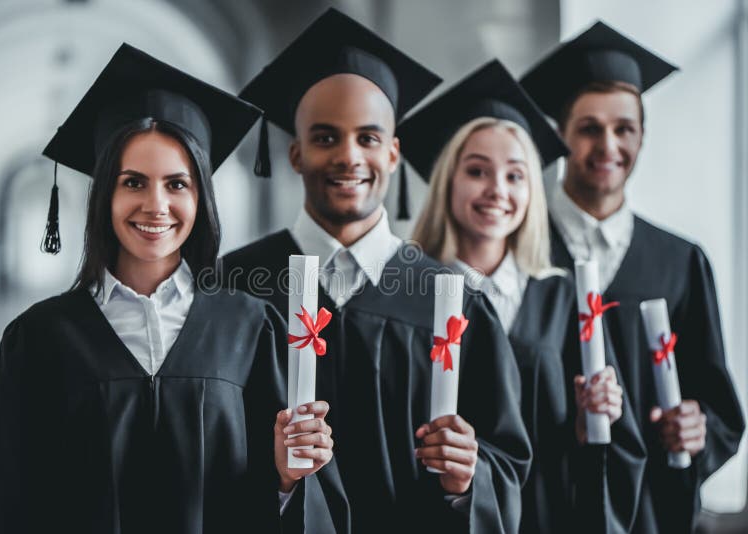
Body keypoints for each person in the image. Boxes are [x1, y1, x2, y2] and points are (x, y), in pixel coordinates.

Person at [0, 44, 343, 534]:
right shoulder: (39, 338)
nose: (156, 205)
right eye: (133, 182)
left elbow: (275, 498)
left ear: (201, 197)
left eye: (177, 184)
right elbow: (11, 504)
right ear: (104, 193)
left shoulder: (249, 327)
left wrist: (285, 477)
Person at [221, 8, 532, 533]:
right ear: (295, 154)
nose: (348, 156)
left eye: (368, 138)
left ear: (392, 154)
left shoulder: (450, 298)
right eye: (324, 138)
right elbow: (207, 452)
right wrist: (275, 482)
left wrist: (467, 477)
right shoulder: (234, 285)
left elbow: (508, 465)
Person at [400, 58, 645, 533]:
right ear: (447, 178)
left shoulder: (564, 300)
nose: (497, 190)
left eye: (515, 175)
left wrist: (593, 425)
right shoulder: (407, 295)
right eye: (477, 171)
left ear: (533, 190)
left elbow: (602, 456)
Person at [521, 20, 745, 533]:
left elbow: (717, 406)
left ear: (642, 134)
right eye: (589, 128)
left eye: (624, 128)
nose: (609, 145)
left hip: (652, 515)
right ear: (560, 136)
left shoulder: (679, 261)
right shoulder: (522, 249)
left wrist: (697, 428)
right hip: (542, 512)